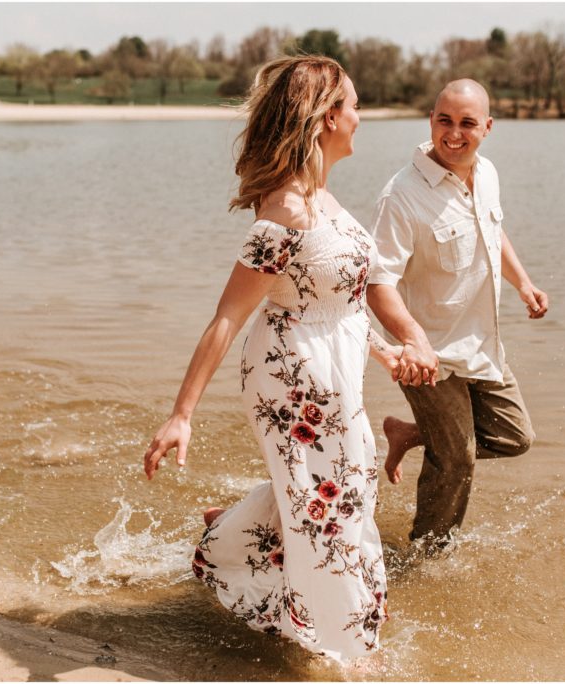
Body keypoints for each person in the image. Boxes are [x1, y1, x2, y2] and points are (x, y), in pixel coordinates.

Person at [142, 56, 404, 664]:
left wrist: (384, 348)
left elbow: (338, 300)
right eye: (355, 106)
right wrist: (182, 413)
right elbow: (228, 317)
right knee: (331, 509)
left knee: (350, 485)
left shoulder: (326, 199)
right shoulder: (285, 210)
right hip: (291, 382)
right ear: (325, 118)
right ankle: (347, 651)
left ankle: (227, 537)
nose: (362, 119)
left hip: (338, 370)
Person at [366, 78, 549, 548]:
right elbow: (377, 281)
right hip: (429, 355)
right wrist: (413, 339)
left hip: (481, 342)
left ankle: (411, 434)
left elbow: (493, 233)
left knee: (515, 436)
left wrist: (523, 282)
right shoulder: (402, 195)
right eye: (444, 120)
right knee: (458, 458)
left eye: (467, 123)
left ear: (487, 127)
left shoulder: (486, 173)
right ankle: (427, 555)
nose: (454, 133)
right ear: (431, 120)